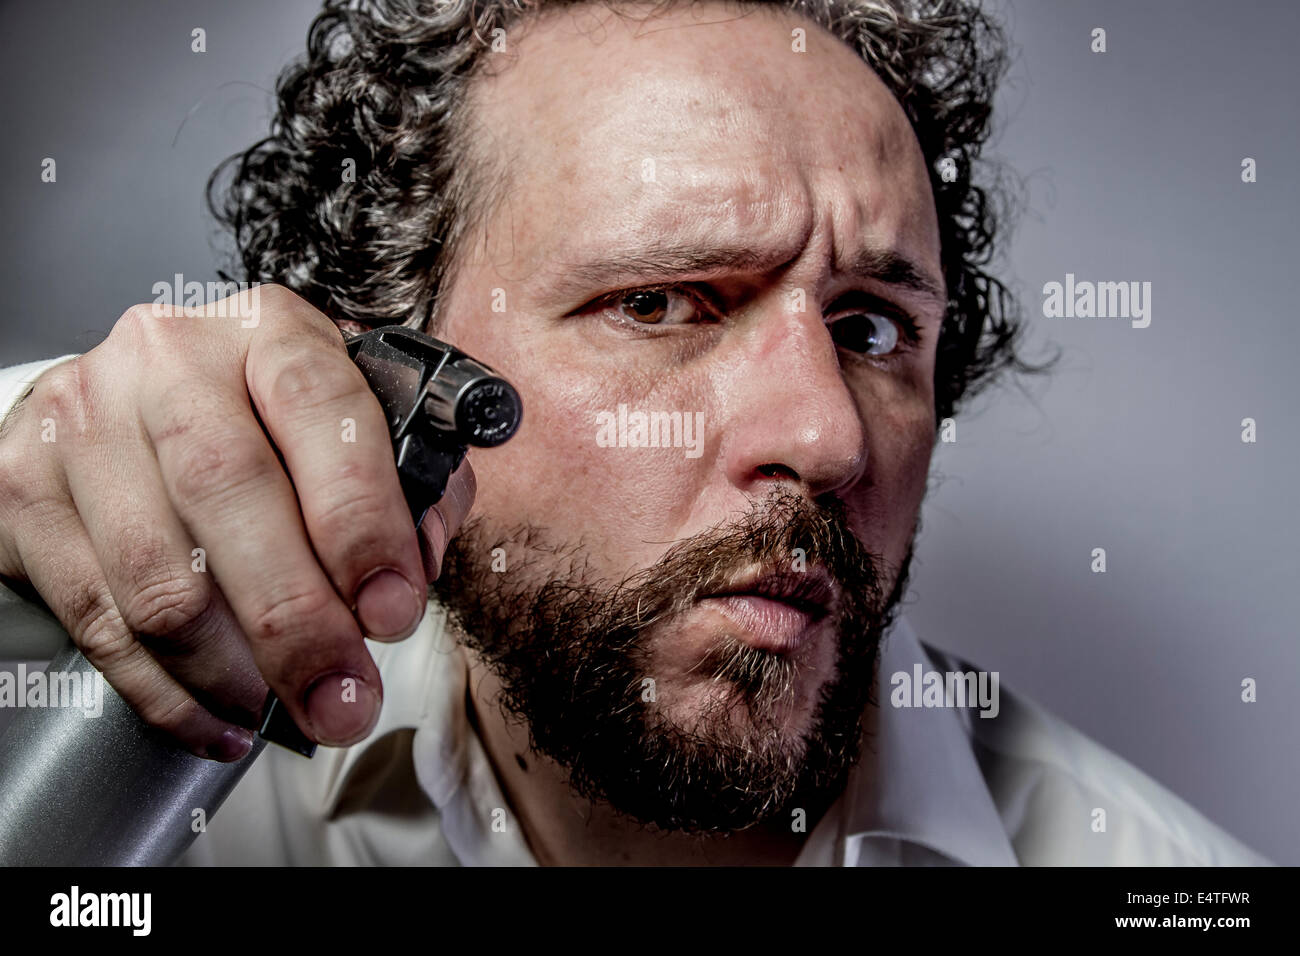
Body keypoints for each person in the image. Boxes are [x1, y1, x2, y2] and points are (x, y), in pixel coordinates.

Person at [0, 0, 1268, 865]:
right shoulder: (149, 753)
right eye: (658, 302)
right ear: (385, 365)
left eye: (873, 329)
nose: (828, 437)